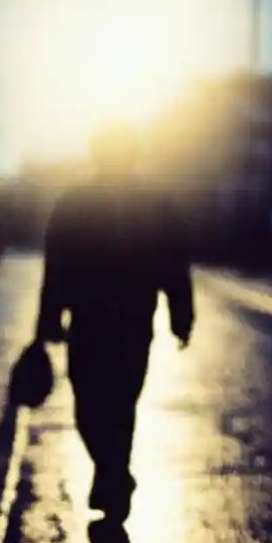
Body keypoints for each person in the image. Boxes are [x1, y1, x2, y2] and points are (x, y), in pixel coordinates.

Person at [35, 122, 193, 521]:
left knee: (98, 404)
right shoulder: (155, 204)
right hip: (123, 320)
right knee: (109, 405)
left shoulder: (76, 202)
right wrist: (180, 315)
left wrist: (49, 320)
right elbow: (176, 264)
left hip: (103, 321)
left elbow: (56, 267)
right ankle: (114, 471)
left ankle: (111, 473)